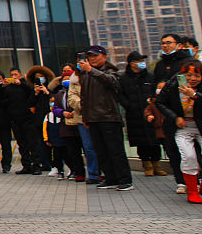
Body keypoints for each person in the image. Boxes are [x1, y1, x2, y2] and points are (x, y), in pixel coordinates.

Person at [76, 45, 133, 191]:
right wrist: (85, 116)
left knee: (115, 150)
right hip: (92, 118)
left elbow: (111, 82)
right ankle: (110, 178)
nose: (93, 59)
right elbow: (84, 97)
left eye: (96, 55)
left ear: (104, 56)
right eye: (90, 56)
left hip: (109, 117)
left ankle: (125, 179)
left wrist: (91, 70)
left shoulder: (110, 70)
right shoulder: (86, 75)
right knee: (101, 151)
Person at [154, 59, 202, 203]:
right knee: (188, 156)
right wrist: (175, 118)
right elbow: (159, 102)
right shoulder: (172, 85)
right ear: (182, 74)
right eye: (188, 75)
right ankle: (192, 190)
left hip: (200, 127)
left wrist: (194, 95)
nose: (192, 79)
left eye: (197, 76)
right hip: (182, 128)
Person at [154, 33, 191, 194]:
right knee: (172, 149)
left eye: (168, 43)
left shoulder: (187, 63)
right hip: (167, 113)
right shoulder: (160, 65)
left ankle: (197, 179)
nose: (165, 46)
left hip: (187, 112)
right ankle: (180, 181)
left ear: (179, 45)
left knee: (192, 149)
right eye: (162, 43)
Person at [118, 51, 165, 177]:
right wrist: (129, 106)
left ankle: (157, 165)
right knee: (141, 142)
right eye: (139, 61)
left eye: (142, 61)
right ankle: (147, 165)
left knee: (154, 140)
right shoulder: (124, 79)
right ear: (132, 63)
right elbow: (120, 95)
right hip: (134, 115)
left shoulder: (150, 77)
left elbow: (156, 92)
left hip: (151, 113)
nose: (141, 64)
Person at [1, 67, 39, 174]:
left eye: (16, 74)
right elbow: (2, 99)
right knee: (22, 144)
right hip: (15, 119)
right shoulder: (8, 88)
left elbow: (31, 94)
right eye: (12, 75)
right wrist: (2, 87)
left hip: (27, 118)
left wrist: (21, 84)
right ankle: (26, 165)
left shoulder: (25, 85)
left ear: (20, 75)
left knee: (32, 143)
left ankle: (36, 165)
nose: (13, 77)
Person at [53, 65, 85, 181]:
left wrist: (74, 112)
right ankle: (78, 172)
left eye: (69, 78)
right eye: (64, 79)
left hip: (80, 122)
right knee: (72, 151)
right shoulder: (59, 94)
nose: (66, 81)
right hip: (66, 125)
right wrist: (63, 113)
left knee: (87, 149)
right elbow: (55, 108)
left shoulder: (80, 89)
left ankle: (96, 172)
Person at [28, 65, 57, 172]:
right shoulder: (34, 90)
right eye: (37, 77)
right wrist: (36, 93)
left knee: (51, 141)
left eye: (41, 76)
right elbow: (30, 103)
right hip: (38, 119)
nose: (40, 78)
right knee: (40, 142)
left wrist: (46, 92)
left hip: (49, 118)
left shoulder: (50, 88)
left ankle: (54, 163)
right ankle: (45, 162)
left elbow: (53, 100)